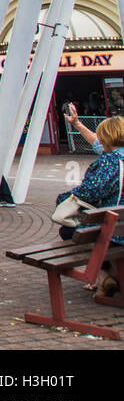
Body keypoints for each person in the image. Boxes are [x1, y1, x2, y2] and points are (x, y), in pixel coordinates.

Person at [54, 115, 124, 295]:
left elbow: (91, 191)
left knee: (71, 231)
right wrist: (76, 123)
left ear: (105, 137)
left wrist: (63, 199)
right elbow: (96, 143)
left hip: (116, 230)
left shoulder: (110, 162)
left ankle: (105, 276)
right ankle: (109, 276)